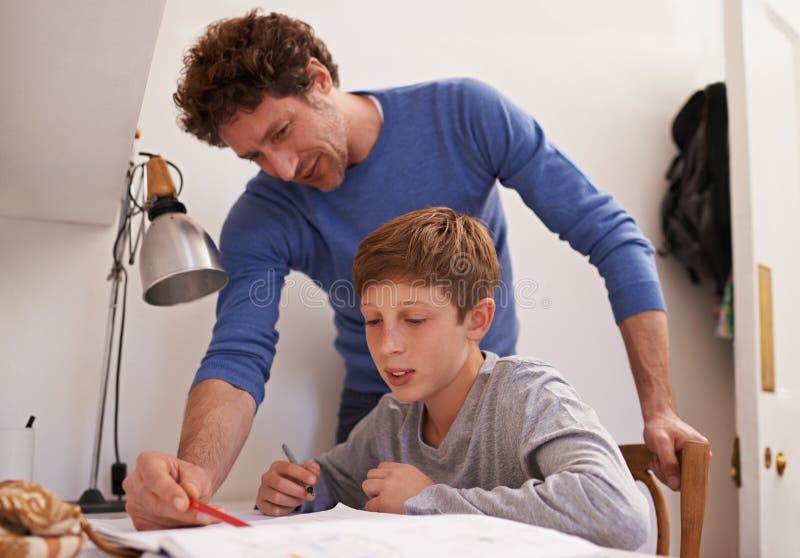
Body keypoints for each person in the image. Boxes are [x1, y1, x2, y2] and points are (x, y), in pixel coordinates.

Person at [122, 9, 706, 530]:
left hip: (486, 413)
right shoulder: (262, 217)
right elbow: (238, 353)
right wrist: (193, 482)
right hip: (378, 423)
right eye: (253, 156)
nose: (282, 167)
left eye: (281, 132)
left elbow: (612, 237)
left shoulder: (465, 115)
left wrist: (659, 409)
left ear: (319, 78)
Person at [256, 207, 649, 550]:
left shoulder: (529, 396)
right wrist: (298, 489)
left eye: (414, 320)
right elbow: (335, 482)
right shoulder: (393, 417)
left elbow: (619, 515)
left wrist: (430, 500)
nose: (387, 345)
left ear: (476, 319)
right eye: (373, 321)